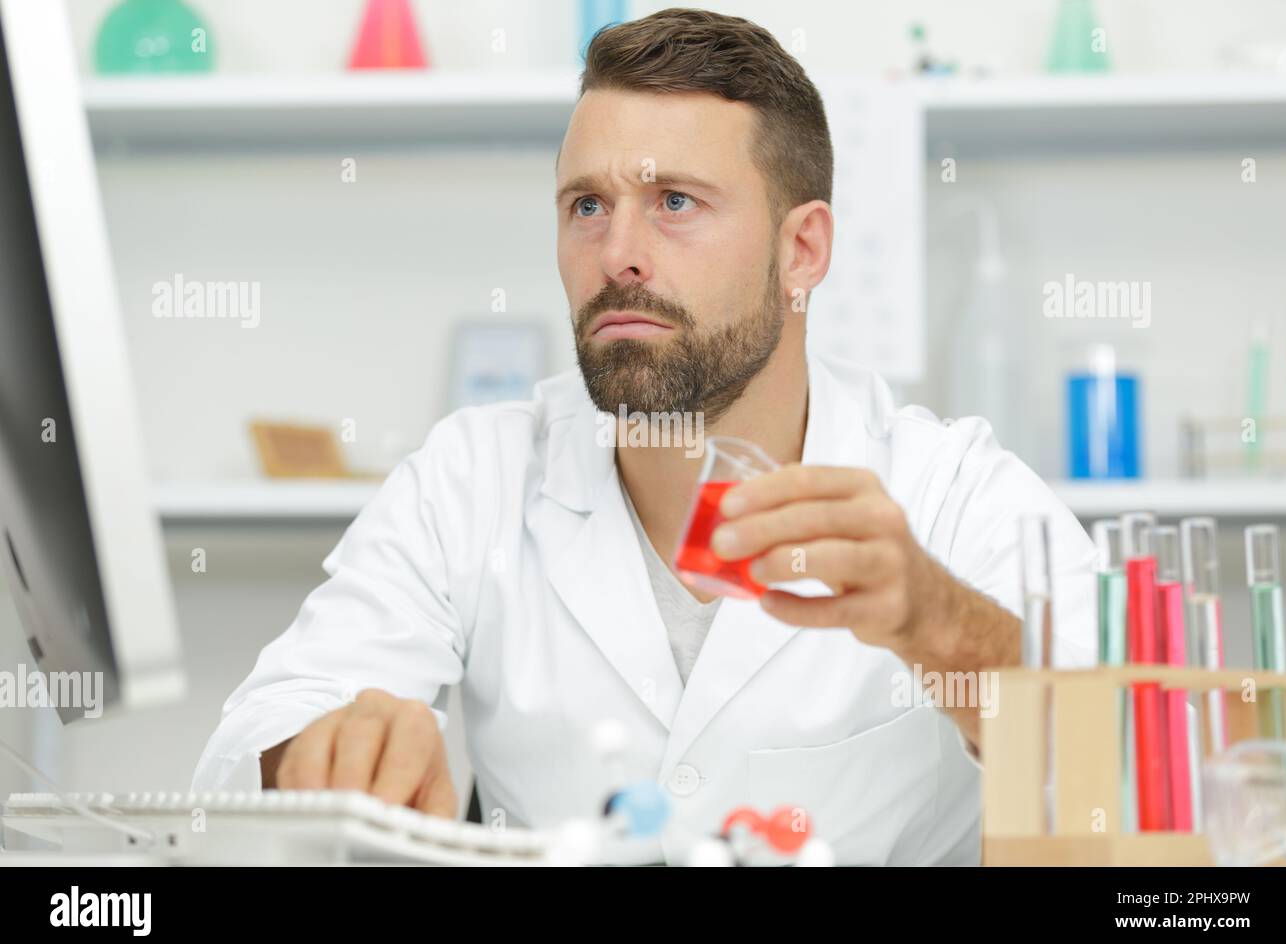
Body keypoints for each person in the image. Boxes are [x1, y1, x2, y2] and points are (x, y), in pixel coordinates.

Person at [194, 7, 1096, 865]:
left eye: (674, 201)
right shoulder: (472, 476)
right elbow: (254, 744)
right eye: (587, 205)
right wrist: (321, 751)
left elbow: (1130, 775)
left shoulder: (955, 489)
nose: (617, 252)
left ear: (803, 252)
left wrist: (942, 626)